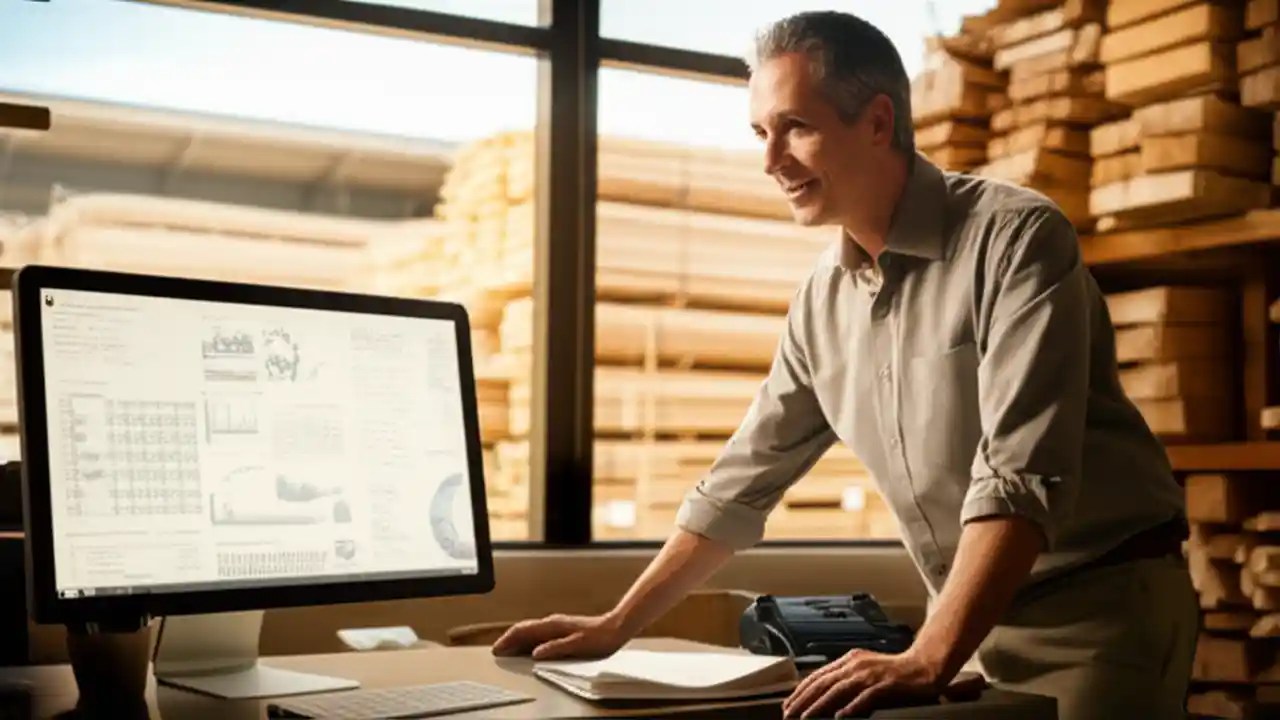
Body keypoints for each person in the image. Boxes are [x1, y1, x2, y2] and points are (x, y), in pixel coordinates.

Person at [492, 11, 1198, 720]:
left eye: (795, 126)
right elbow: (739, 485)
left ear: (879, 122)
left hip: (1101, 613)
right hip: (964, 622)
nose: (772, 160)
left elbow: (1019, 475)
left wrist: (930, 653)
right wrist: (617, 625)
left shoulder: (1017, 239)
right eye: (760, 133)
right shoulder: (821, 305)